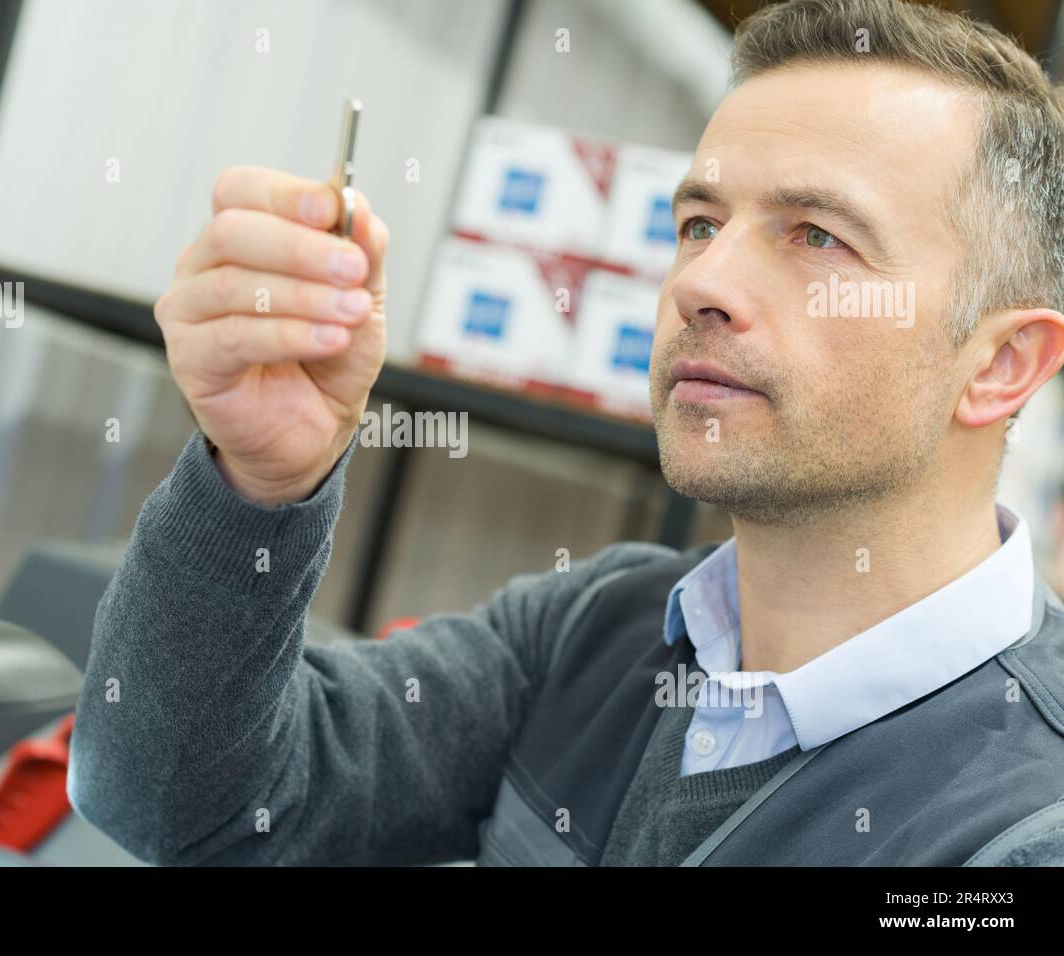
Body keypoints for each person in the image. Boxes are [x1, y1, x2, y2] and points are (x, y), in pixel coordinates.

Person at [67, 0, 1064, 866]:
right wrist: (258, 483)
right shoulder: (593, 632)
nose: (702, 283)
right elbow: (183, 808)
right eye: (701, 223)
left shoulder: (1026, 825)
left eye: (816, 236)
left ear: (1000, 363)